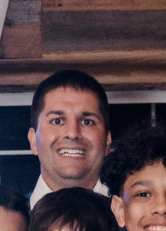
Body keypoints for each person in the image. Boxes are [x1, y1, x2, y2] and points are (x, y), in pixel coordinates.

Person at [26, 68, 111, 205]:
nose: (72, 133)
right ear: (33, 140)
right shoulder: (11, 217)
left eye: (87, 122)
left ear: (107, 141)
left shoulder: (131, 214)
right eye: (57, 121)